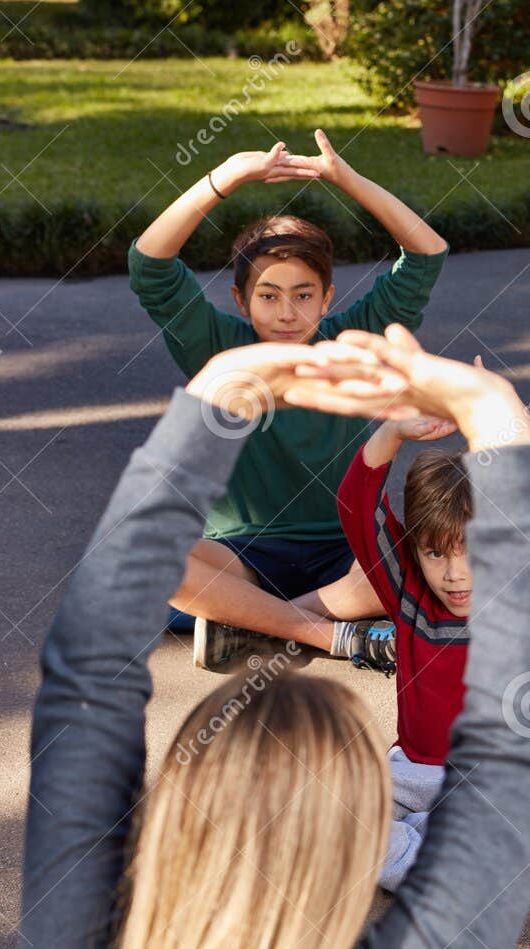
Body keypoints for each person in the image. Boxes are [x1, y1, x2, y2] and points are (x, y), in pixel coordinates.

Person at [17, 339, 530, 949]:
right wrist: (490, 405)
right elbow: (517, 752)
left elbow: (84, 679)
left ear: (174, 834)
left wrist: (216, 392)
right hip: (429, 785)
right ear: (341, 859)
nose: (455, 569)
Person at [129, 131, 448, 673]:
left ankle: (259, 627)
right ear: (240, 299)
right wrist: (225, 177)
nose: (286, 313)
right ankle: (333, 636)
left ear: (327, 298)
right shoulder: (220, 346)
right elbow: (149, 265)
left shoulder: (354, 335)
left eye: (303, 296)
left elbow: (426, 253)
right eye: (268, 296)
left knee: (434, 561)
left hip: (345, 556)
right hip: (240, 553)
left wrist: (347, 179)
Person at [334, 331, 530, 888]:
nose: (454, 572)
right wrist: (394, 429)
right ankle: (427, 858)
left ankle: (425, 858)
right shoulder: (408, 591)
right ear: (416, 550)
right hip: (412, 772)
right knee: (326, 811)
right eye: (436, 553)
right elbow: (355, 504)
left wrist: (496, 401)